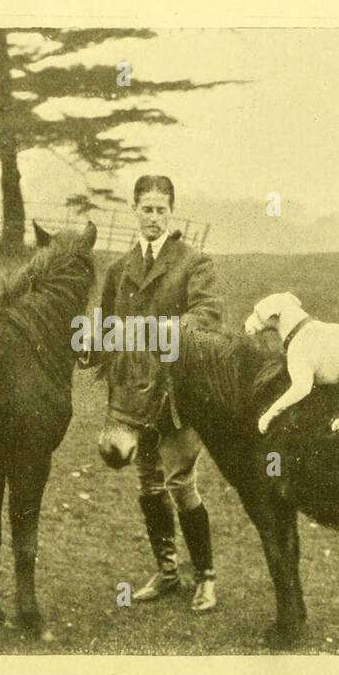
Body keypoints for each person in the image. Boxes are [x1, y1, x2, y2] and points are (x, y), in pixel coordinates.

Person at [94, 175, 224, 611]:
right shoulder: (118, 269)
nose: (153, 218)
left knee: (180, 481)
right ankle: (168, 572)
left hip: (178, 393)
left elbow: (208, 315)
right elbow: (107, 325)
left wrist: (165, 330)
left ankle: (205, 577)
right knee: (148, 482)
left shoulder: (193, 262)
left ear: (172, 212)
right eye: (146, 209)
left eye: (161, 209)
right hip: (134, 396)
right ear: (134, 210)